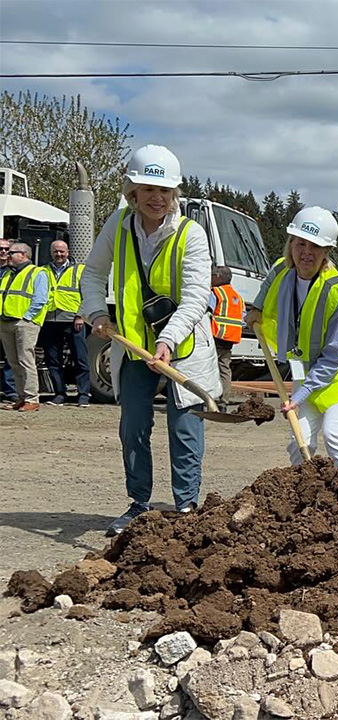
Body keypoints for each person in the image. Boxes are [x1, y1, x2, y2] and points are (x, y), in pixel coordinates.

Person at [80, 144, 221, 535]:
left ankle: (186, 507)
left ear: (175, 193)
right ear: (133, 192)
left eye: (165, 191)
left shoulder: (191, 235)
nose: (157, 198)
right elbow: (92, 274)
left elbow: (196, 298)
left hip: (184, 347)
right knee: (133, 426)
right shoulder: (119, 225)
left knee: (185, 427)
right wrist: (96, 312)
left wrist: (168, 342)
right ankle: (139, 503)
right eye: (148, 190)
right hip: (132, 345)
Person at [246, 206, 338, 466]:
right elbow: (270, 281)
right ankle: (300, 494)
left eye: (314, 246)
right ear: (290, 244)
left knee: (336, 435)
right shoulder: (283, 269)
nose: (306, 252)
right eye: (300, 243)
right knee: (299, 439)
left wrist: (298, 398)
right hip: (306, 368)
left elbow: (333, 358)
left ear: (326, 252)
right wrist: (257, 308)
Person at [0, 242, 51, 411]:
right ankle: (21, 397)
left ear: (23, 254)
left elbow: (41, 298)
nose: (7, 255)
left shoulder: (38, 273)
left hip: (24, 323)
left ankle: (32, 398)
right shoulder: (8, 273)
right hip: (6, 321)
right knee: (14, 362)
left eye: (11, 252)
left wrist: (27, 318)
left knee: (26, 361)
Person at [40, 240, 91, 407]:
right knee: (53, 360)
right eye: (56, 251)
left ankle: (83, 394)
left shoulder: (79, 270)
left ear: (68, 252)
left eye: (62, 251)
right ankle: (59, 394)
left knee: (80, 358)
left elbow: (87, 294)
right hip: (49, 320)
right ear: (51, 252)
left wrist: (80, 316)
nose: (59, 254)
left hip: (72, 320)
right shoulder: (43, 271)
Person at [208, 266, 244, 411]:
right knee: (224, 370)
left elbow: (206, 311)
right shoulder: (237, 297)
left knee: (207, 369)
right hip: (229, 340)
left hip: (215, 336)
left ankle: (207, 401)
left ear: (217, 276)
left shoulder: (216, 292)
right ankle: (223, 402)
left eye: (211, 275)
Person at [0, 238, 16, 403]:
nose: (4, 252)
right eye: (1, 249)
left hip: (6, 318)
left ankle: (10, 391)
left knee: (10, 358)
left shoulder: (14, 272)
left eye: (7, 250)